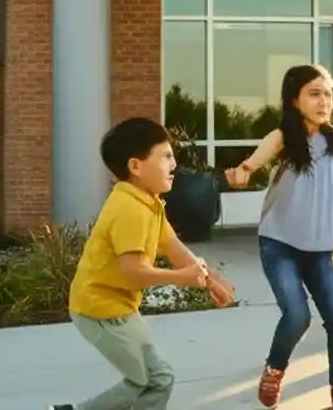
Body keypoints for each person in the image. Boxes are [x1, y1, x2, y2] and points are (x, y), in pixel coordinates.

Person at [225, 64, 333, 410]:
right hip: (280, 245)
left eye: (328, 94)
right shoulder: (284, 137)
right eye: (314, 93)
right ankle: (274, 370)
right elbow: (257, 158)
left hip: (321, 249)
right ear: (295, 99)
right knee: (297, 315)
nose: (324, 101)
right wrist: (243, 172)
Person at [51, 117, 235, 410]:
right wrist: (182, 278)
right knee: (146, 383)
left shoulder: (148, 202)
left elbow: (174, 248)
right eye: (165, 156)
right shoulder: (129, 210)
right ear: (135, 167)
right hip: (99, 310)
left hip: (120, 308)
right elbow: (133, 271)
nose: (174, 164)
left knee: (158, 379)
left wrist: (211, 281)